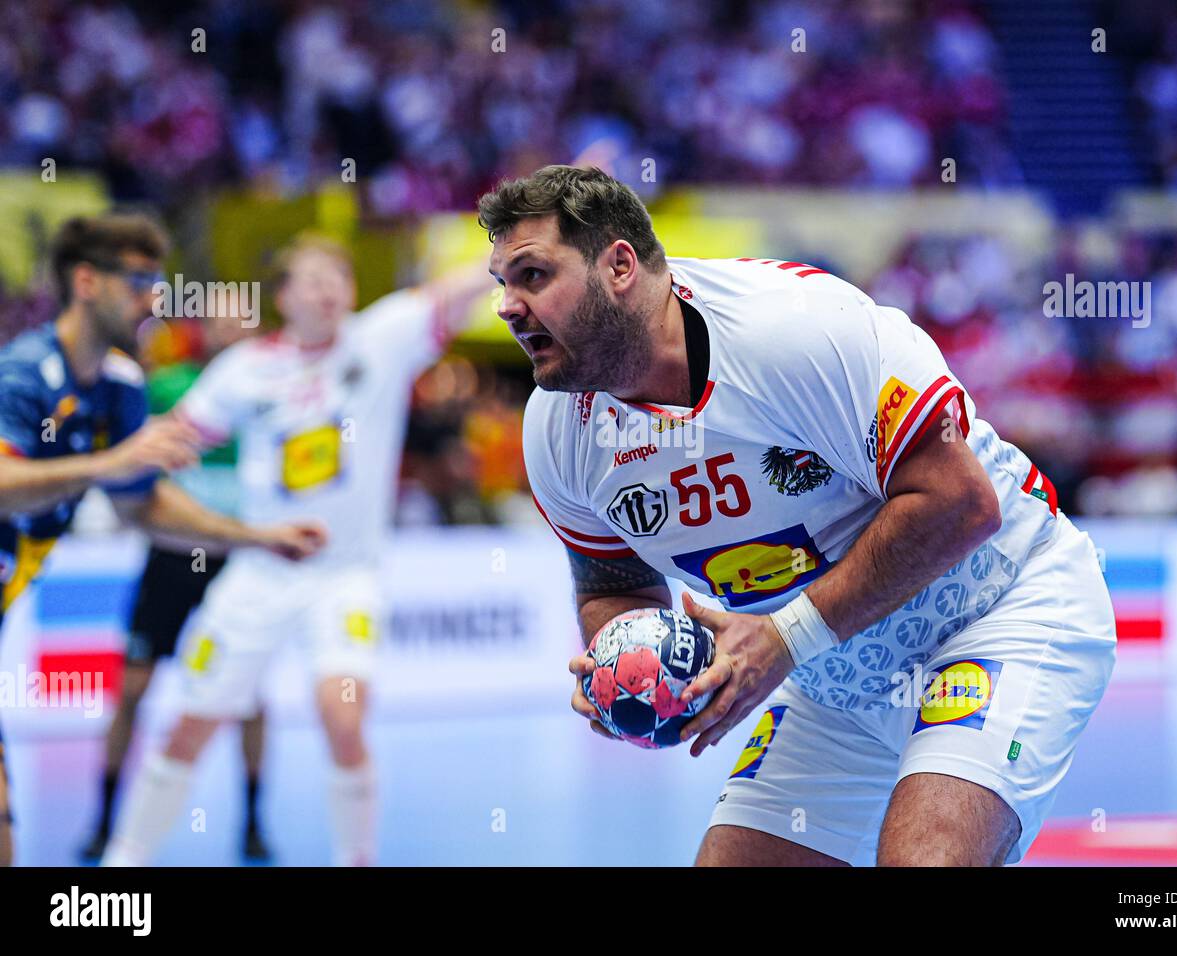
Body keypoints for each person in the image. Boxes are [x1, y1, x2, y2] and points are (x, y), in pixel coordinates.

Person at [479, 165, 1117, 866]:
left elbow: (961, 502)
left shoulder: (792, 329)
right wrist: (626, 670)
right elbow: (612, 584)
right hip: (831, 679)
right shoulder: (556, 431)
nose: (508, 306)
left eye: (532, 276)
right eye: (500, 284)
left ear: (620, 265)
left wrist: (782, 639)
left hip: (998, 611)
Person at [103, 235, 491, 867]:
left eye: (338, 274)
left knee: (342, 718)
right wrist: (100, 458)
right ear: (283, 297)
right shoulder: (248, 368)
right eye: (312, 278)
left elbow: (464, 285)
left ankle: (354, 858)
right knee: (191, 723)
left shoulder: (381, 339)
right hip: (259, 571)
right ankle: (125, 861)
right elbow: (176, 438)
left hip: (345, 576)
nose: (329, 287)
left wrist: (538, 228)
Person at [0, 214, 325, 867]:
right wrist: (102, 466)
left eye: (158, 280)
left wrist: (255, 536)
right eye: (139, 279)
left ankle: (252, 824)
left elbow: (143, 503)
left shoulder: (120, 385)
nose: (154, 297)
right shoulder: (27, 373)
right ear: (86, 281)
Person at [79, 292, 272, 863]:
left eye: (243, 317)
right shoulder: (169, 387)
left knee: (250, 695)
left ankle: (254, 825)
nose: (230, 327)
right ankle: (104, 822)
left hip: (240, 556)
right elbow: (134, 446)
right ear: (204, 326)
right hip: (172, 553)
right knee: (133, 687)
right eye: (220, 316)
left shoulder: (270, 387)